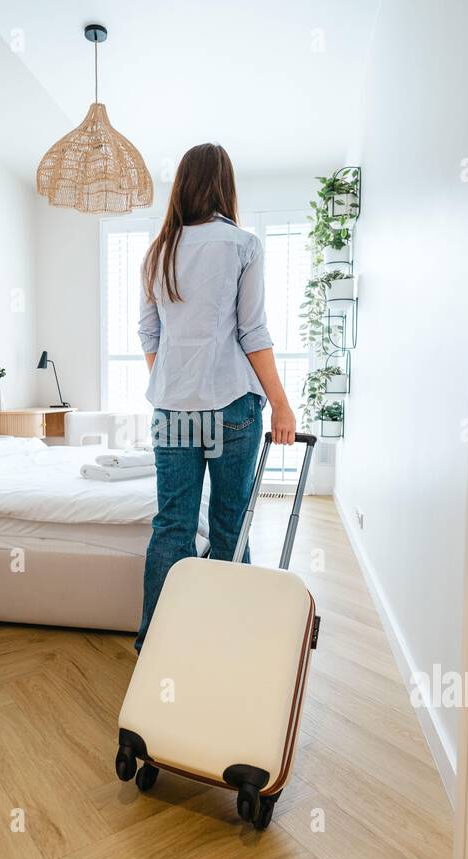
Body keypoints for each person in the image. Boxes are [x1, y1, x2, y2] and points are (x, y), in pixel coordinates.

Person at [135, 142, 297, 652]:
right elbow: (253, 332)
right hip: (232, 408)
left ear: (181, 184)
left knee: (172, 527)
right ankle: (227, 644)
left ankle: (157, 645)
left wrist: (178, 382)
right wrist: (281, 403)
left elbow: (148, 334)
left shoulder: (158, 250)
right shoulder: (243, 245)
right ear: (225, 185)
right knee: (231, 525)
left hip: (173, 410)